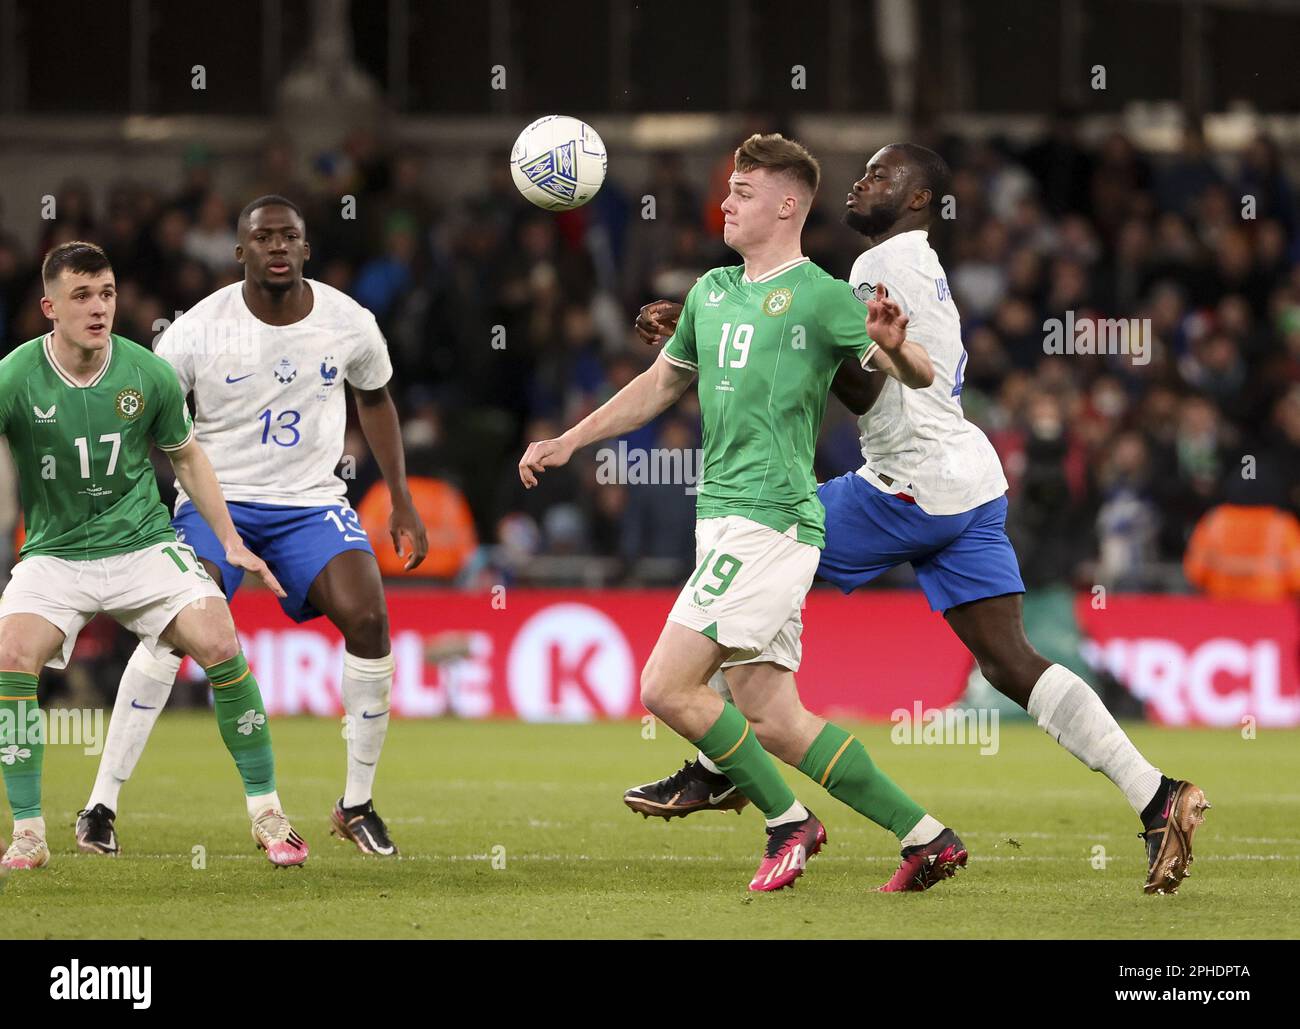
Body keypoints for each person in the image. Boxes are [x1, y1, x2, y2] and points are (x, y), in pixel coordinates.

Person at [631, 143, 1210, 895]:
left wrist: (715, 331)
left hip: (906, 487)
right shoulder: (916, 264)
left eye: (882, 175)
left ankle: (719, 766)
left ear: (918, 200)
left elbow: (858, 384)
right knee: (1010, 662)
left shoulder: (879, 270)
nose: (863, 182)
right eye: (864, 170)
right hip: (966, 483)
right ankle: (1157, 793)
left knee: (763, 534)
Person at [522, 134, 964, 892]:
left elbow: (914, 371)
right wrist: (571, 438)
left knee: (666, 687)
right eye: (729, 189)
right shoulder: (712, 291)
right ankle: (929, 838)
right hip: (724, 519)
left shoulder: (825, 295)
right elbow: (660, 386)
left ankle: (788, 823)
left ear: (788, 204)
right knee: (774, 720)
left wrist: (898, 345)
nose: (726, 202)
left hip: (773, 519)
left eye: (745, 191)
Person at [77, 197, 428, 859]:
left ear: (304, 248)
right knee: (171, 629)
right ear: (239, 252)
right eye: (262, 237)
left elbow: (374, 396)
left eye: (288, 236)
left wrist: (401, 498)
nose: (276, 246)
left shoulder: (348, 321)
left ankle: (356, 803)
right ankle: (100, 803)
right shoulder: (195, 331)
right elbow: (146, 413)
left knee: (371, 619)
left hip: (310, 503)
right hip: (217, 503)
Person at [0, 241, 307, 870]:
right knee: (9, 656)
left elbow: (188, 457)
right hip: (55, 554)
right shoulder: (14, 376)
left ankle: (268, 813)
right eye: (81, 295)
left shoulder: (148, 374)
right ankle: (29, 831)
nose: (98, 307)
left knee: (220, 638)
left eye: (107, 293)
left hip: (143, 544)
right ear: (48, 306)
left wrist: (228, 540)